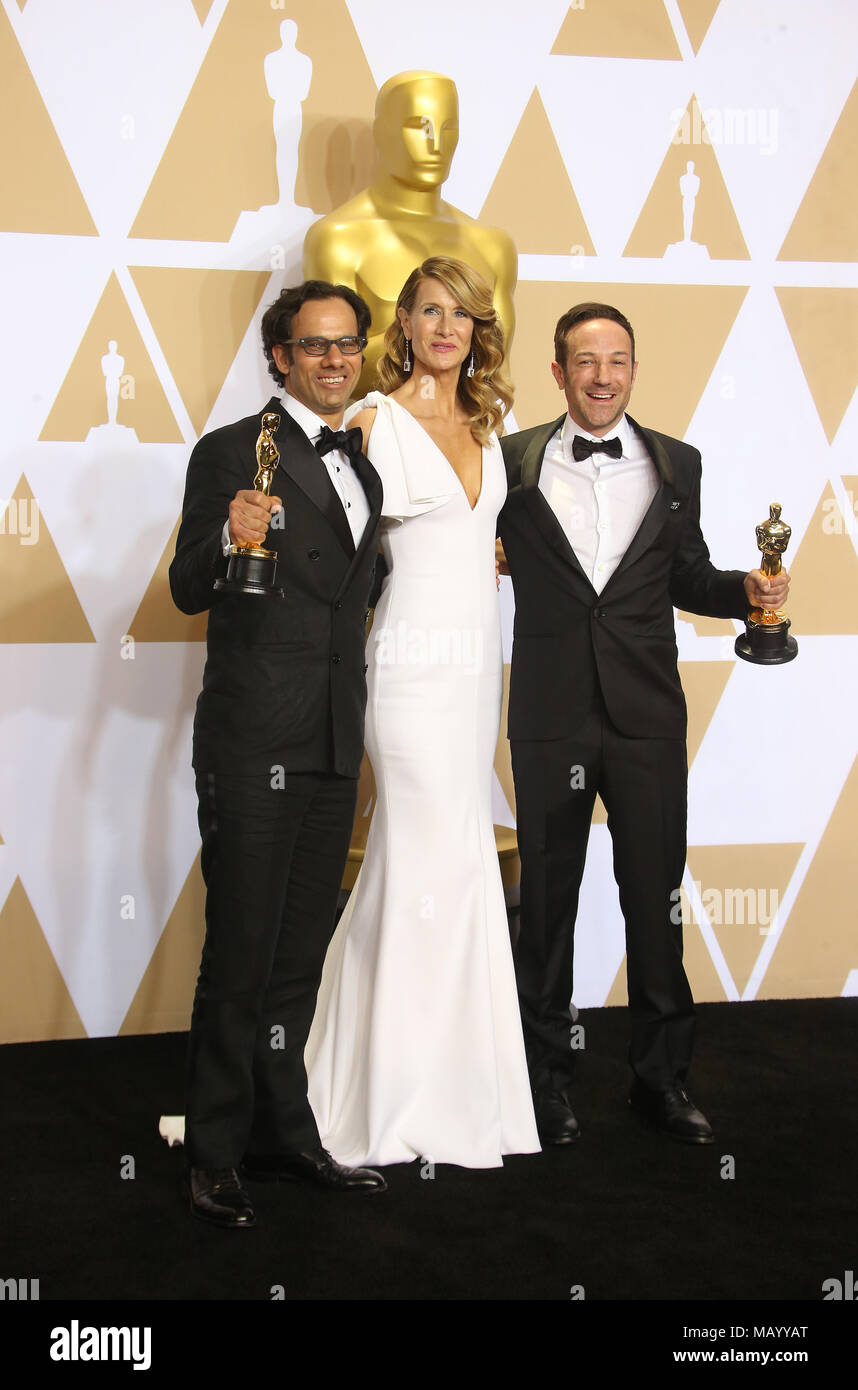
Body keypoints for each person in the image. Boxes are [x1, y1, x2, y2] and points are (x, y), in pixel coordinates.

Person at [497, 302, 789, 1147]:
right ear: (557, 372)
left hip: (646, 718)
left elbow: (686, 574)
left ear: (634, 368)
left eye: (617, 360)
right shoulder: (512, 461)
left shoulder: (678, 464)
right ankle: (544, 1083)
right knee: (546, 907)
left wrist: (746, 591)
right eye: (584, 361)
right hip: (550, 716)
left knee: (654, 904)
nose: (602, 376)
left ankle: (661, 1080)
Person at [304, 257, 540, 1168]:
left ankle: (463, 1090)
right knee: (412, 857)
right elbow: (344, 565)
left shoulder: (494, 425)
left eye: (463, 315)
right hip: (406, 672)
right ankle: (378, 1093)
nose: (446, 327)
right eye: (429, 311)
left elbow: (491, 541)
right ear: (401, 323)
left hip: (477, 671)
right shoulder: (372, 423)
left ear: (480, 330)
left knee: (462, 859)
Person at [169, 280, 387, 1228]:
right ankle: (213, 1155)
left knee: (299, 957)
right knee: (241, 956)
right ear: (280, 358)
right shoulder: (230, 451)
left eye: (347, 345)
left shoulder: (365, 470)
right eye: (314, 346)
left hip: (337, 740)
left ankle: (284, 1134)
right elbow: (185, 586)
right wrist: (230, 534)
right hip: (254, 738)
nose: (334, 361)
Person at [303, 71, 517, 394]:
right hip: (373, 436)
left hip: (473, 436)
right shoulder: (337, 240)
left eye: (448, 129)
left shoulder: (493, 245)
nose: (436, 145)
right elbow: (335, 370)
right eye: (420, 127)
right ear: (381, 132)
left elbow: (497, 375)